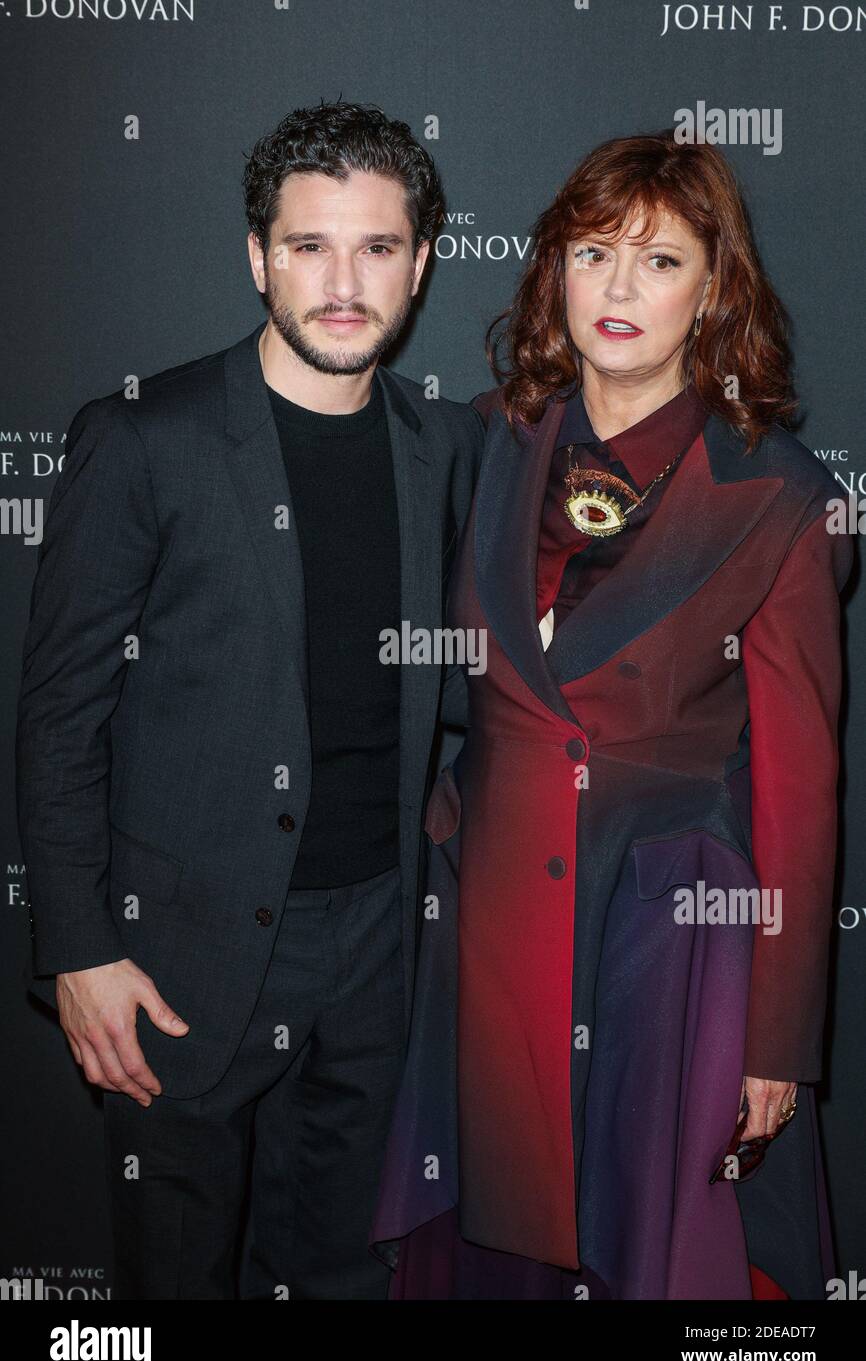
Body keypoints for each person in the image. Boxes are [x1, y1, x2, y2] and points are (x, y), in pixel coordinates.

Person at [370, 130, 853, 1300]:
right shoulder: (482, 439)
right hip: (484, 923)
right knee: (488, 1242)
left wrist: (777, 1041)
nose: (619, 290)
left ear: (712, 290)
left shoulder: (779, 498)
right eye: (593, 254)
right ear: (553, 273)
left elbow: (797, 788)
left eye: (659, 261)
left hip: (661, 940)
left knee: (649, 1249)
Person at [16, 100, 482, 1300]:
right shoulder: (143, 439)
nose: (343, 281)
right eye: (309, 245)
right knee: (169, 1282)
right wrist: (77, 946)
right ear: (256, 256)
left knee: (337, 1271)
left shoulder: (446, 448)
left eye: (377, 247)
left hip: (380, 947)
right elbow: (60, 714)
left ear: (422, 263)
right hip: (177, 961)